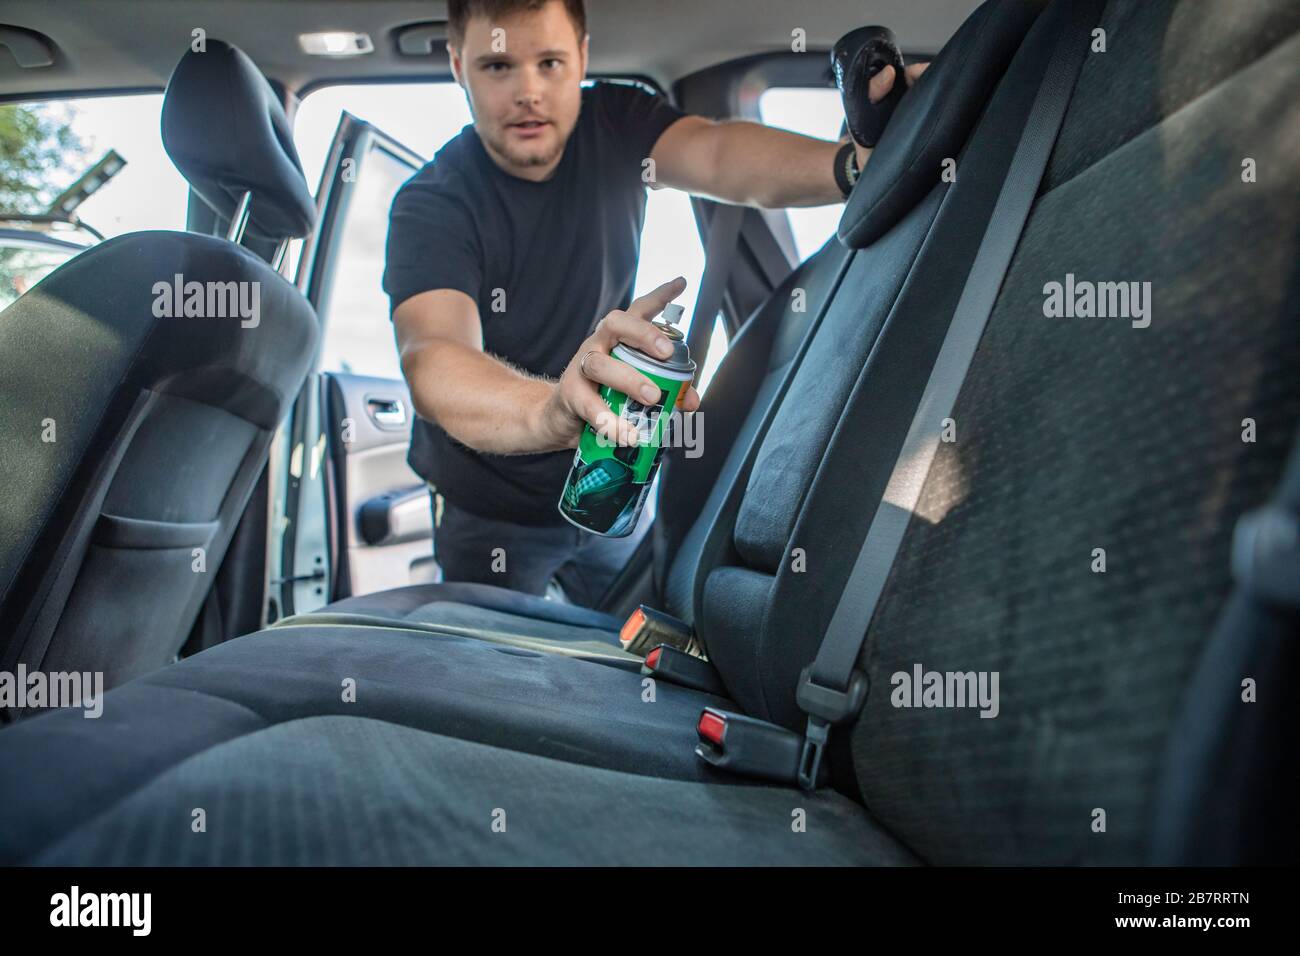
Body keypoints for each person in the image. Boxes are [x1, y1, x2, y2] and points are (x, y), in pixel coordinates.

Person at [384, 0, 926, 605]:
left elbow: (719, 154)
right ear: (459, 65)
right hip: (488, 510)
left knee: (627, 655)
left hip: (614, 480)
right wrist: (553, 411)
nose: (528, 92)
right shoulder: (433, 202)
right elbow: (435, 355)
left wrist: (853, 166)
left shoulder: (617, 121)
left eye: (551, 63)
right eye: (497, 66)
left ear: (583, 58)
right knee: (481, 674)